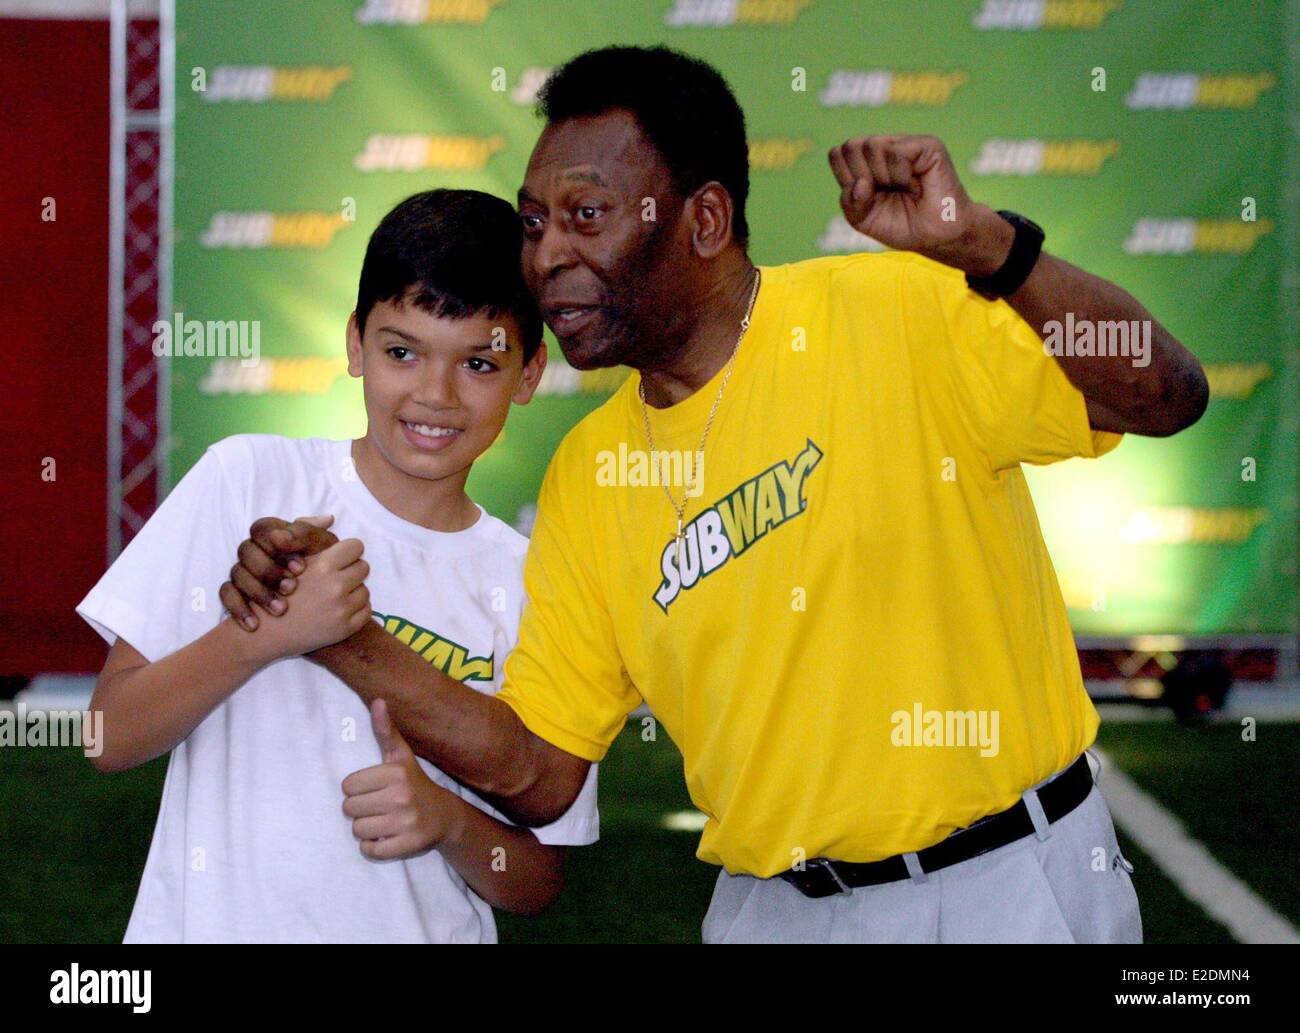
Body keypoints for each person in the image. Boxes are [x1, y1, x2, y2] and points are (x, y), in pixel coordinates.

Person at [219, 46, 1208, 943]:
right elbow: (540, 766)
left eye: (586, 215)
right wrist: (335, 633)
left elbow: (1168, 394)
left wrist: (996, 249)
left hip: (1005, 889)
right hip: (770, 912)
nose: (546, 254)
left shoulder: (898, 309)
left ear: (702, 219)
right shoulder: (592, 474)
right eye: (533, 221)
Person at [76, 189, 598, 943]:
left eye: (479, 362)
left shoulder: (537, 583)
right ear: (355, 343)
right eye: (401, 351)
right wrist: (260, 635)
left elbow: (540, 879)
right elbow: (106, 737)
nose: (435, 394)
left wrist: (447, 818)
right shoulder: (248, 479)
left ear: (528, 373)